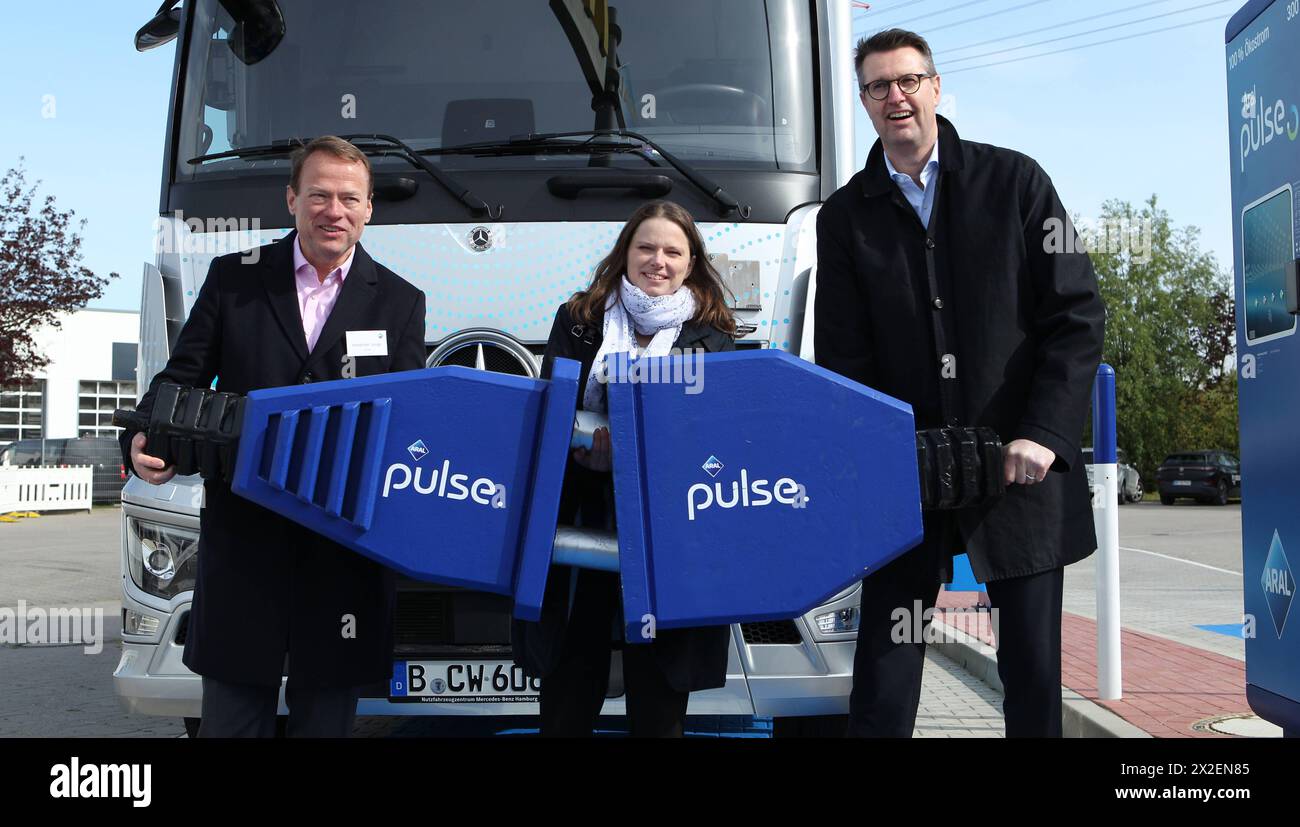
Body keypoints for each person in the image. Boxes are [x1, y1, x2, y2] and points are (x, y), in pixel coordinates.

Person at [814, 29, 1105, 737]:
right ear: (864, 102)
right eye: (879, 86)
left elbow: (1076, 314)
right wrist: (874, 462)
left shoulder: (1016, 183)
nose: (896, 97)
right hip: (903, 476)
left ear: (936, 88)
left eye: (908, 80)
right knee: (882, 682)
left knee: (1032, 678)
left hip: (1020, 473)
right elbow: (843, 361)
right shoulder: (845, 216)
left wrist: (1043, 433)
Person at [121, 136, 427, 737]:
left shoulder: (399, 301)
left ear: (369, 210)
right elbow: (177, 380)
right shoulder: (235, 280)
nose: (332, 211)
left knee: (325, 727)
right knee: (232, 722)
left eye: (348, 198)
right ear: (291, 200)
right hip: (246, 545)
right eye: (318, 195)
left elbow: (407, 417)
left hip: (342, 554)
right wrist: (138, 436)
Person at [512, 200, 737, 737]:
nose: (657, 260)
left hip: (666, 539)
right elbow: (553, 407)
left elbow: (705, 438)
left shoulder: (712, 336)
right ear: (625, 254)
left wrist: (627, 451)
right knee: (567, 695)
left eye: (671, 251)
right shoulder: (579, 319)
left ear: (690, 263)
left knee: (659, 709)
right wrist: (591, 448)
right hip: (578, 525)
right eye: (646, 247)